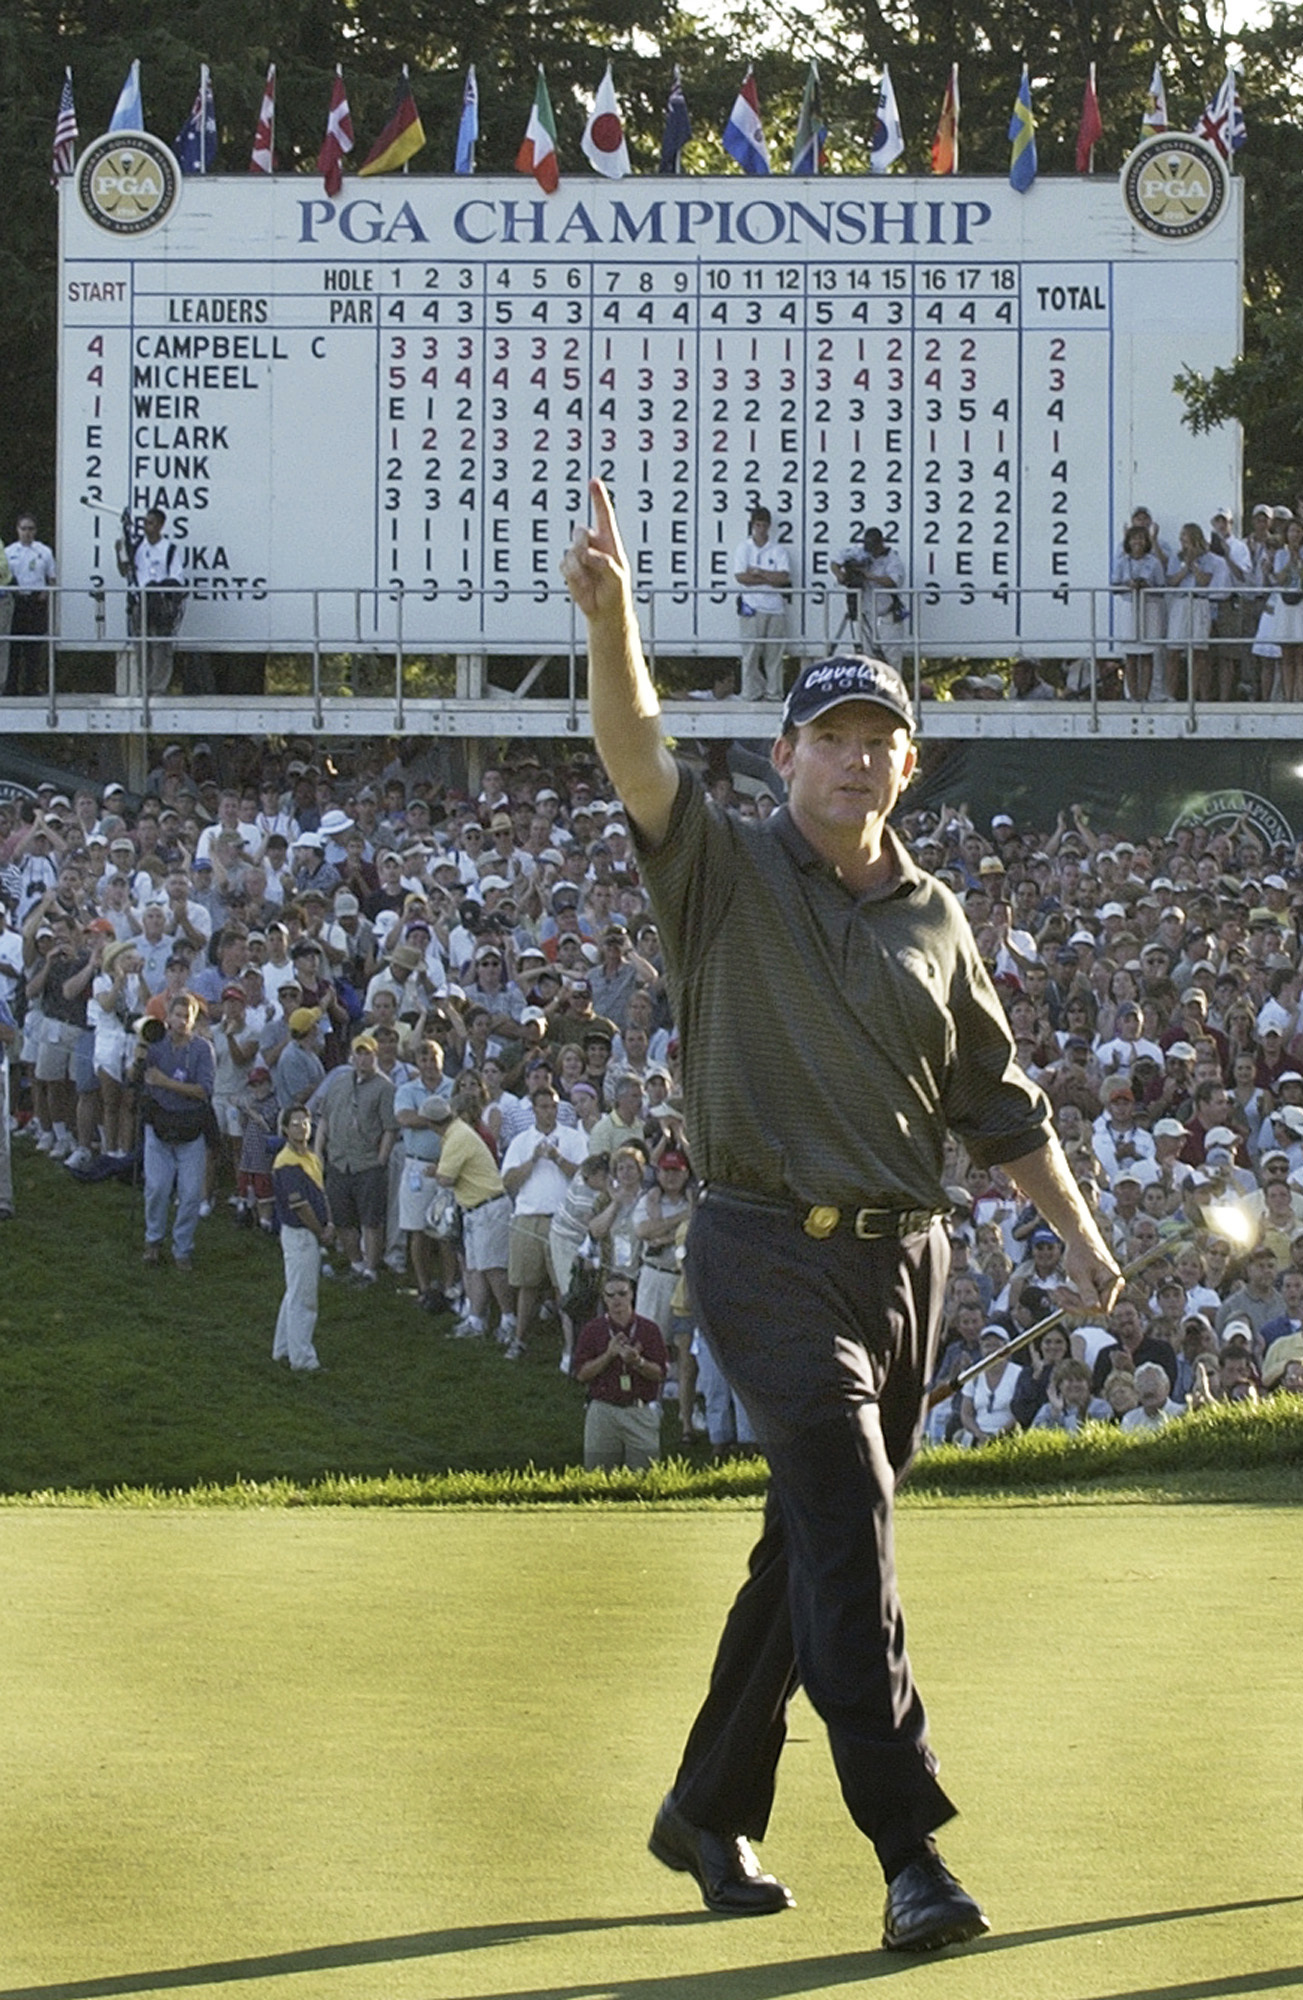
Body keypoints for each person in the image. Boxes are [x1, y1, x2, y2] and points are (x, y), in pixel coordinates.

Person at [562, 479, 1122, 1955]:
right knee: (850, 1530)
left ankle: (703, 1803)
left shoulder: (936, 917)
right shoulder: (719, 865)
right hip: (758, 1249)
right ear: (784, 754)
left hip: (907, 1266)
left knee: (804, 1544)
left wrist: (1070, 1230)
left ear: (905, 765)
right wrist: (612, 621)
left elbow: (998, 1105)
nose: (854, 760)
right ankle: (906, 1850)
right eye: (830, 738)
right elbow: (631, 747)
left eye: (878, 740)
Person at [140, 993, 215, 1272]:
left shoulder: (202, 1049)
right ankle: (153, 1240)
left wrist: (165, 1083)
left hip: (190, 1128)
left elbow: (203, 1091)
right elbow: (137, 1079)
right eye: (177, 1015)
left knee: (191, 1192)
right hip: (159, 1125)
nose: (181, 1021)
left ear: (194, 1020)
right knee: (157, 1187)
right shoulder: (155, 1044)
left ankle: (182, 1246)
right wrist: (138, 1057)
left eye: (187, 1016)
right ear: (167, 1016)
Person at [570, 1268, 667, 1470]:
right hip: (603, 1410)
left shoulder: (649, 1329)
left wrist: (637, 1362)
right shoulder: (593, 1330)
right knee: (598, 1480)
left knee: (645, 1480)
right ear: (604, 1299)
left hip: (639, 1411)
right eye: (611, 1295)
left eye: (622, 1293)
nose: (617, 1300)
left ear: (631, 1294)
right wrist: (608, 1355)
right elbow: (581, 1374)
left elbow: (659, 1373)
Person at [271, 1106, 334, 1373]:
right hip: (301, 1235)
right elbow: (300, 1205)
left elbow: (321, 1193)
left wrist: (328, 1222)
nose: (302, 1127)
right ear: (285, 1129)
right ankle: (303, 1359)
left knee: (294, 1292)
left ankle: (284, 1348)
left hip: (308, 1234)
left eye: (305, 1123)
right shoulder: (287, 1163)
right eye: (295, 1123)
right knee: (303, 1298)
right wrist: (321, 1232)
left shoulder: (310, 1158)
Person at [115, 507, 186, 694]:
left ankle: (159, 686)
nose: (147, 527)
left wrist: (161, 589)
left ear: (161, 525)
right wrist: (120, 551)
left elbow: (177, 578)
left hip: (160, 604)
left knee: (161, 646)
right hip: (141, 603)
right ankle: (144, 686)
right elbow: (125, 571)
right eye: (145, 523)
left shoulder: (168, 549)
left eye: (151, 523)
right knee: (142, 646)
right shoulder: (137, 547)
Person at [733, 506, 790, 702]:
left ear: (769, 527)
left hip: (775, 607)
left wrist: (759, 572)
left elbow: (783, 578)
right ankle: (750, 692)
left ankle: (774, 693)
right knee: (750, 653)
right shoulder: (744, 548)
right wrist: (768, 578)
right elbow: (741, 577)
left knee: (774, 654)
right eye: (757, 525)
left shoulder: (777, 549)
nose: (761, 529)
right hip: (752, 606)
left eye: (764, 525)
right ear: (752, 525)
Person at [4, 514, 56, 698]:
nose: (27, 533)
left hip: (36, 601)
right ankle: (10, 686)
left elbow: (51, 577)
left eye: (30, 529)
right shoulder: (9, 552)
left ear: (35, 530)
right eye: (23, 528)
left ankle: (32, 686)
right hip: (16, 600)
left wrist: (45, 593)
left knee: (34, 646)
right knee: (14, 646)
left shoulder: (44, 551)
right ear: (17, 530)